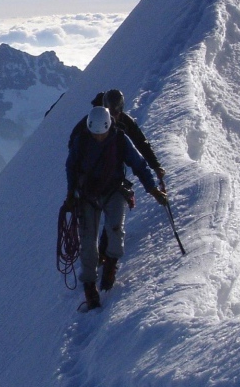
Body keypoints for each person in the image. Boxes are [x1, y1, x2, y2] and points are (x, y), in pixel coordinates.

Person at [65, 105, 168, 310]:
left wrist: (153, 190)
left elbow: (139, 164)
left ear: (108, 126)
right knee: (88, 240)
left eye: (101, 134)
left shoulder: (120, 139)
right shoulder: (83, 140)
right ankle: (90, 286)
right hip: (87, 194)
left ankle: (110, 264)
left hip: (112, 190)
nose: (98, 137)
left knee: (115, 230)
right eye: (95, 134)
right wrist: (70, 194)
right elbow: (71, 167)